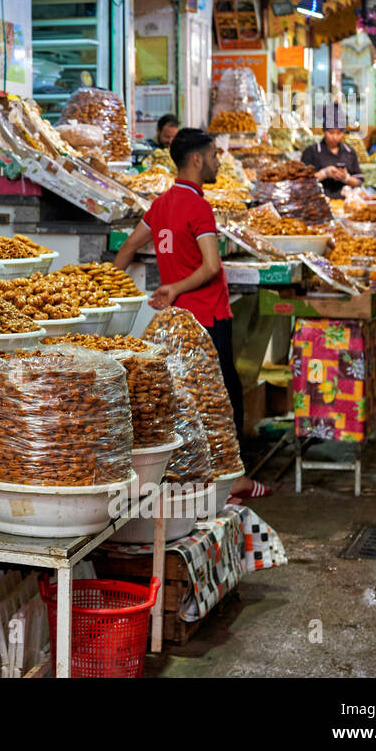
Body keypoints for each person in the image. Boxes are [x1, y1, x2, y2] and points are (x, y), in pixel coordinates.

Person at [113, 128, 268, 500]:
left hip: (177, 322)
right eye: (214, 155)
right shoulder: (198, 206)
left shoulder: (161, 204)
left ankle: (195, 477)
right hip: (209, 317)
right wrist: (176, 288)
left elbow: (128, 249)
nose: (218, 162)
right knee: (221, 396)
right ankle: (235, 478)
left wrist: (112, 296)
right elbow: (212, 266)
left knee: (189, 397)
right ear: (197, 160)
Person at [300, 125, 363, 197]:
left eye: (339, 133)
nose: (335, 137)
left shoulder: (349, 152)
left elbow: (359, 182)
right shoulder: (311, 151)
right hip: (317, 200)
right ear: (324, 131)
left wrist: (346, 178)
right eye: (331, 133)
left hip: (345, 201)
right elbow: (302, 181)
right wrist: (324, 173)